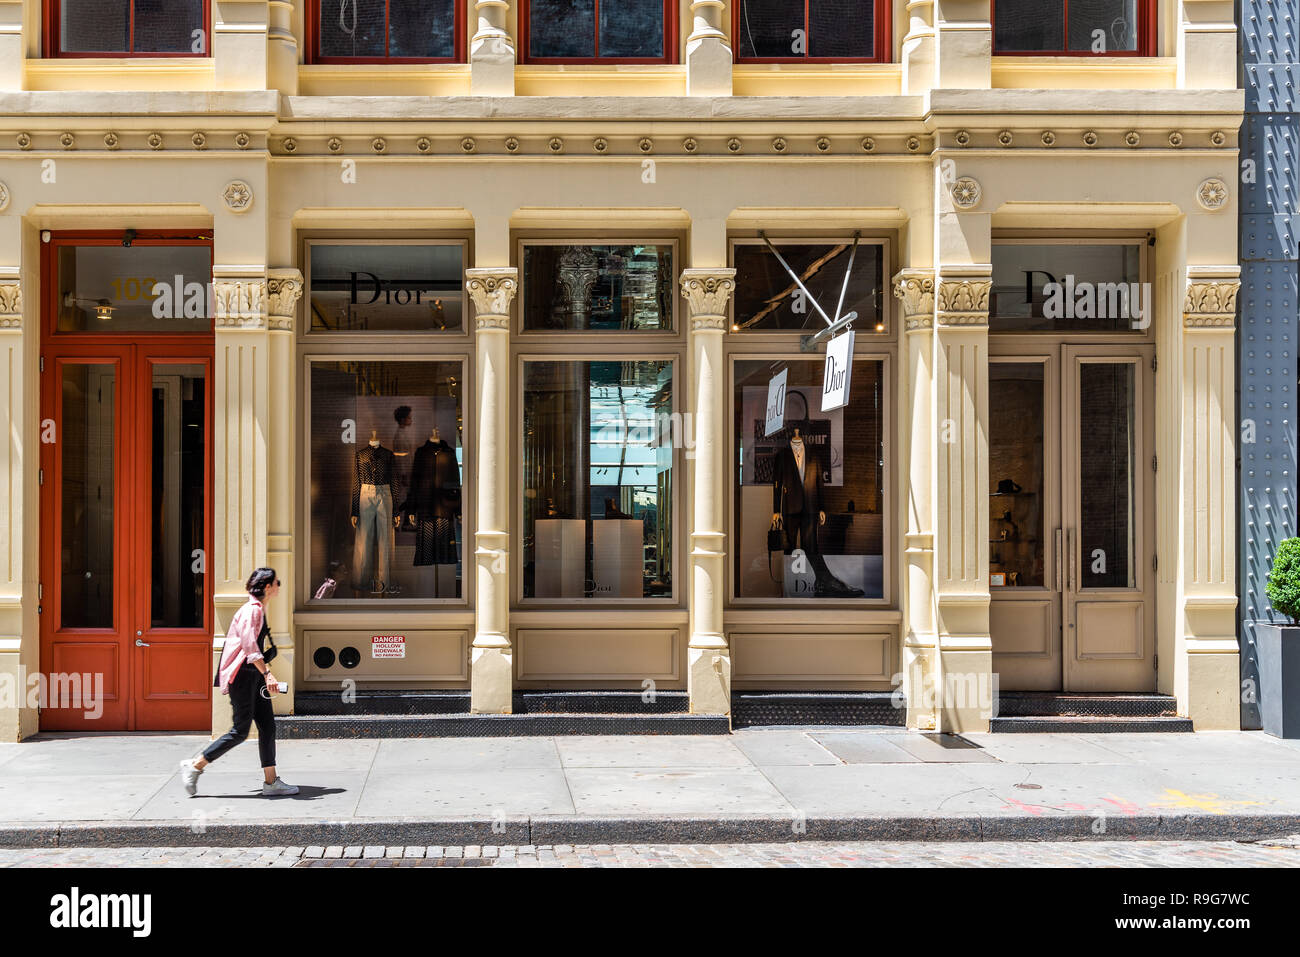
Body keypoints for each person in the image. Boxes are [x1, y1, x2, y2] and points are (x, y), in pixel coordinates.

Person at [180, 568, 298, 796]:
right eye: (277, 582)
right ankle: (195, 766)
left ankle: (271, 782)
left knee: (267, 726)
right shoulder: (252, 610)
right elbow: (250, 646)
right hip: (244, 676)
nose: (279, 586)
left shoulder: (257, 609)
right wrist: (267, 674)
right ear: (267, 587)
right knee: (240, 731)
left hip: (252, 674)